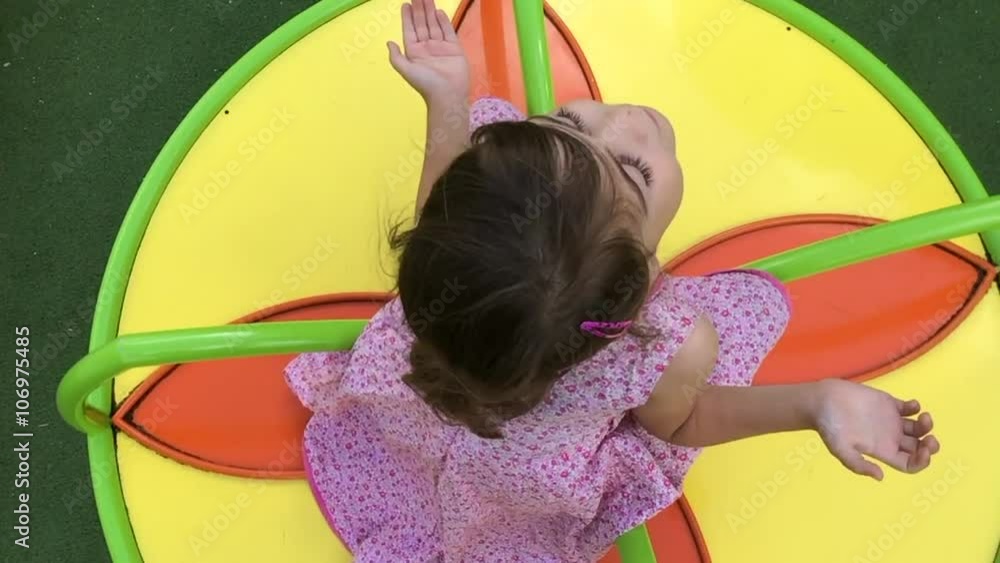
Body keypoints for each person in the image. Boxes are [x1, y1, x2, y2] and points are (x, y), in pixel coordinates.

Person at [285, 1, 940, 560]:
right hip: (514, 491)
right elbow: (683, 421)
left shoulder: (459, 265)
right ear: (636, 287)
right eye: (637, 172)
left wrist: (449, 103)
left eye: (573, 123)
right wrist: (813, 400)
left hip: (405, 422)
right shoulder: (670, 345)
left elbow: (442, 215)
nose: (618, 115)